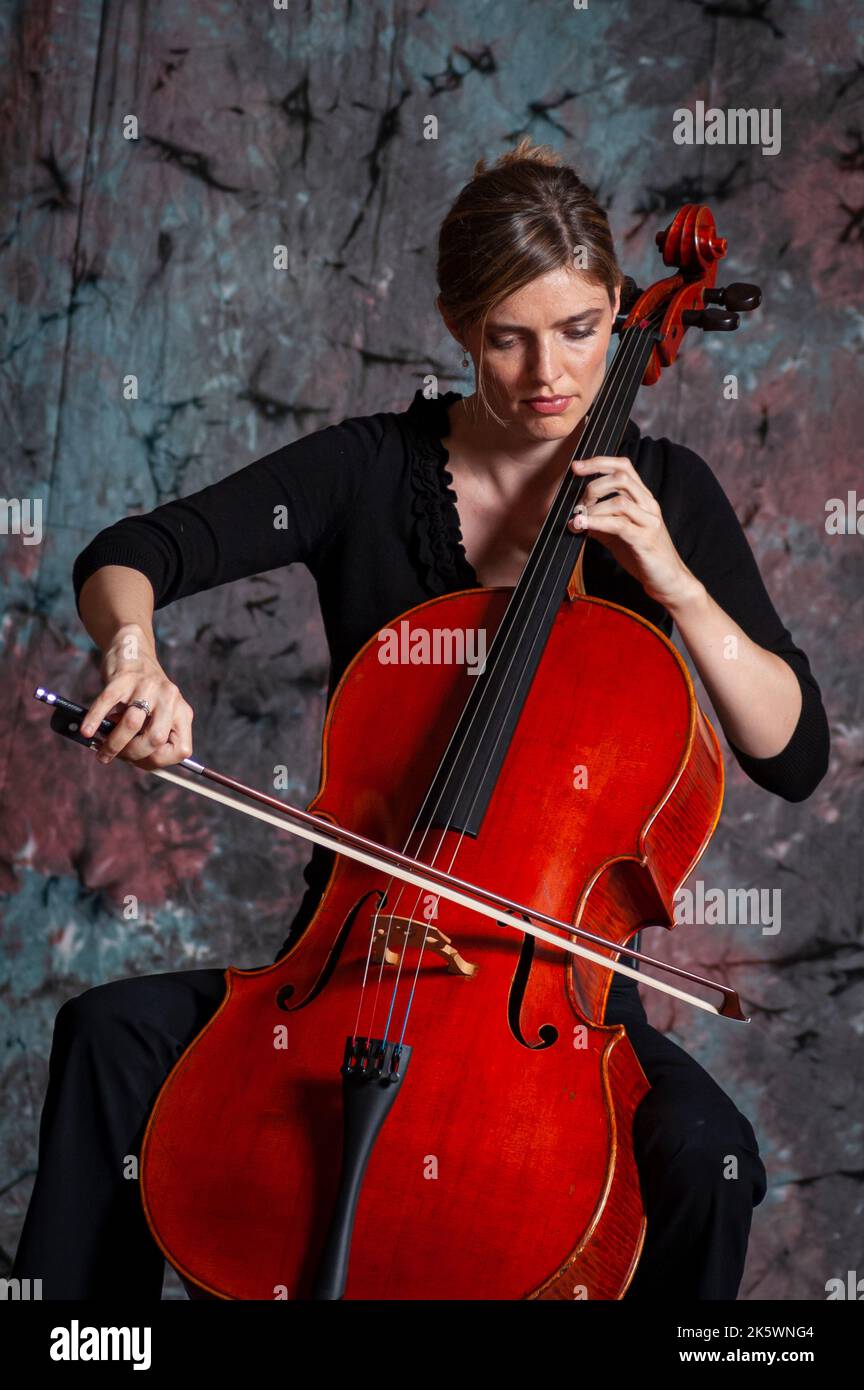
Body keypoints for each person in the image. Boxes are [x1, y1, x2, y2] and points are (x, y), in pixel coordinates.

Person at [13, 138, 829, 1301]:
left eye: (583, 330)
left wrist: (679, 583)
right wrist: (134, 654)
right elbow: (136, 553)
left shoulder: (668, 494)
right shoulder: (370, 468)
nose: (549, 373)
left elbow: (792, 751)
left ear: (619, 317)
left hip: (553, 1001)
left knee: (713, 1158)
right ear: (456, 325)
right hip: (342, 967)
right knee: (108, 1035)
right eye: (508, 336)